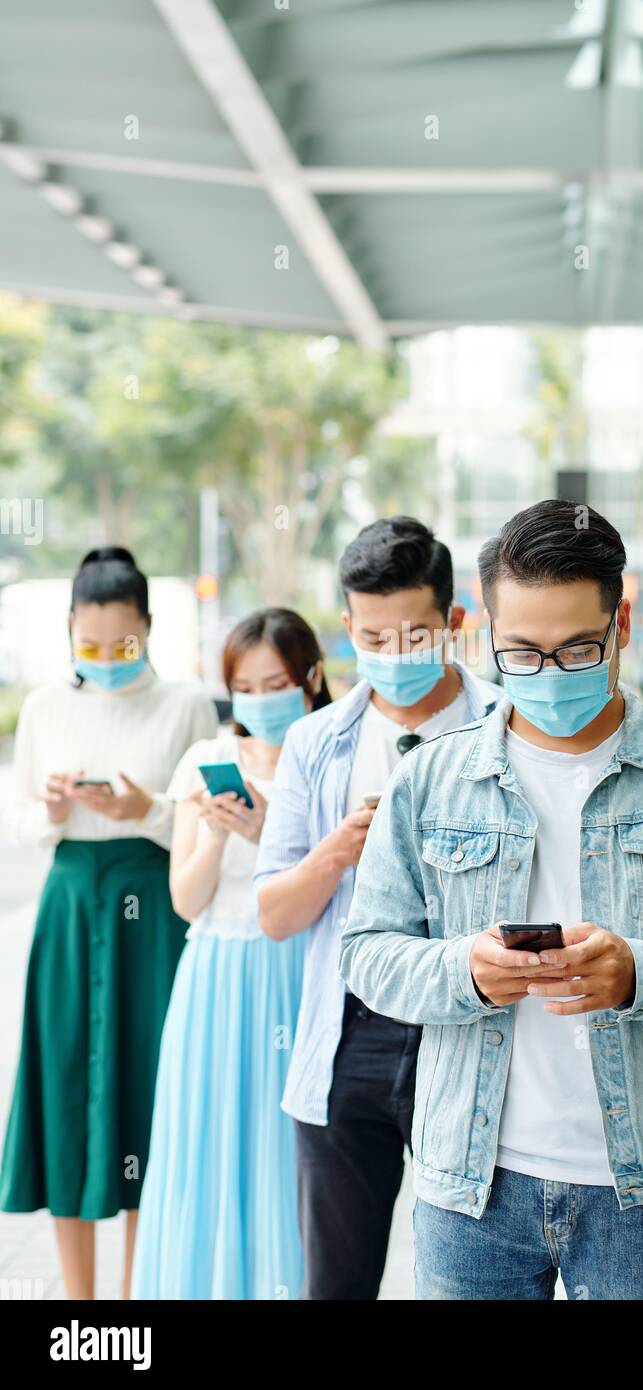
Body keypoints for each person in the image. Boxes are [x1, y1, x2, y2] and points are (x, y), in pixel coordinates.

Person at [339, 499, 643, 1301]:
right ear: (487, 630)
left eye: (577, 649)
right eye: (521, 653)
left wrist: (640, 975)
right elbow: (367, 952)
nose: (548, 677)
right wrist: (466, 972)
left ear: (623, 619)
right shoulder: (430, 778)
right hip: (471, 1188)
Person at [255, 516, 501, 1300]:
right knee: (335, 1284)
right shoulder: (317, 743)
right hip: (343, 1036)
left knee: (467, 1279)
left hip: (468, 1032)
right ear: (347, 630)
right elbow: (275, 915)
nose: (394, 655)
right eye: (373, 637)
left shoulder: (507, 728)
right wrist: (338, 850)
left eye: (414, 635)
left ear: (454, 624)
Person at [0, 546, 218, 1299]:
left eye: (121, 645)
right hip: (68, 903)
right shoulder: (45, 706)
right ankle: (79, 1302)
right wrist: (54, 810)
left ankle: (137, 1295)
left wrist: (144, 810)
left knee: (146, 1084)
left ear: (148, 630)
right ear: (68, 629)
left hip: (151, 905)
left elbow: (200, 819)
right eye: (88, 645)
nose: (105, 659)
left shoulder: (187, 702)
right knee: (63, 1079)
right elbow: (25, 820)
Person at [131, 608, 328, 1300]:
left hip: (297, 971)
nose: (260, 699)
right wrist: (217, 834)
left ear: (310, 678)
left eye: (274, 682)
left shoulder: (328, 757)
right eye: (244, 686)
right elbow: (186, 900)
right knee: (205, 1148)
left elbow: (342, 883)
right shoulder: (204, 764)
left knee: (287, 1158)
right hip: (214, 976)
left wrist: (268, 827)